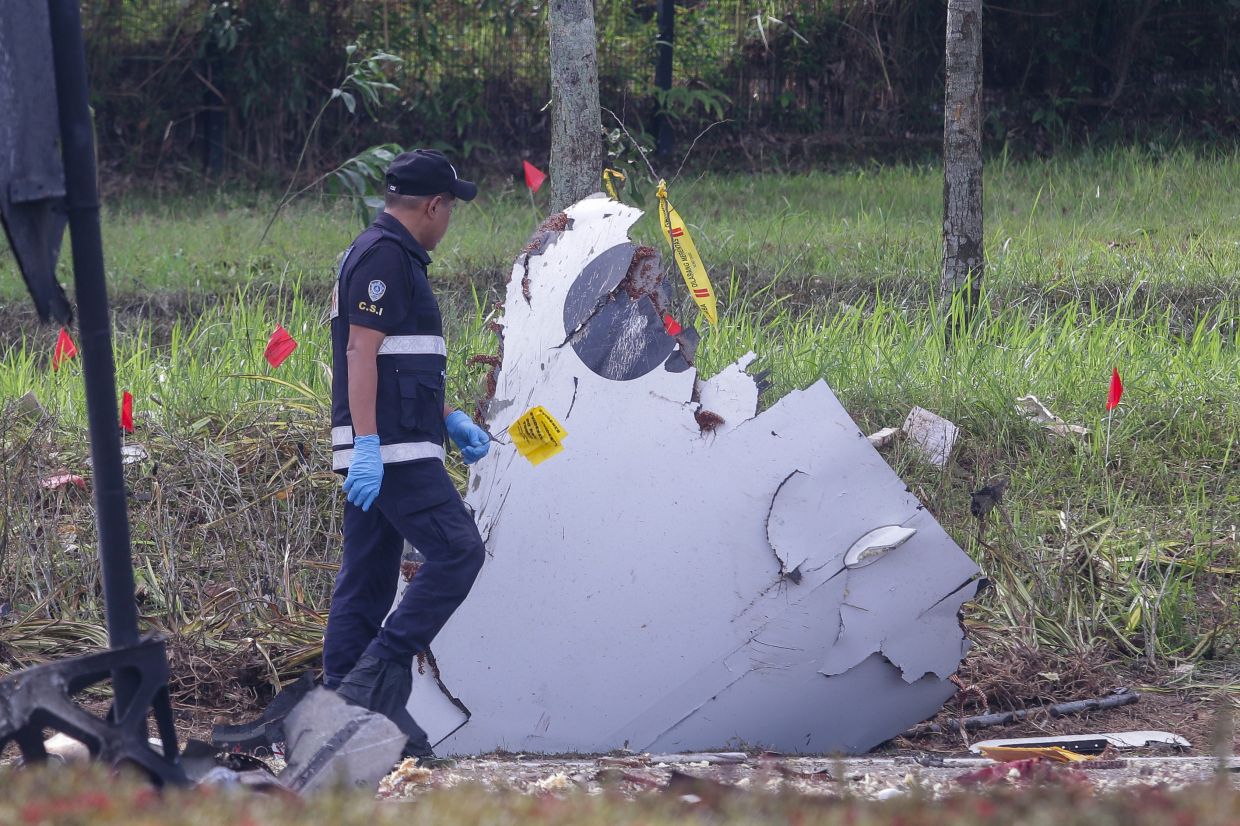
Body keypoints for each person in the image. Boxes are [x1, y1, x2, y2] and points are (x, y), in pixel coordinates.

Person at [323, 148, 491, 765]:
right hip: (389, 450)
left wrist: (447, 419)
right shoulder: (386, 257)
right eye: (450, 209)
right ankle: (376, 682)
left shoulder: (384, 253)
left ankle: (338, 715)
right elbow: (360, 354)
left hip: (396, 439)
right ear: (433, 206)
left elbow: (401, 358)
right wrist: (368, 444)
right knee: (458, 551)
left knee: (367, 577)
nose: (449, 222)